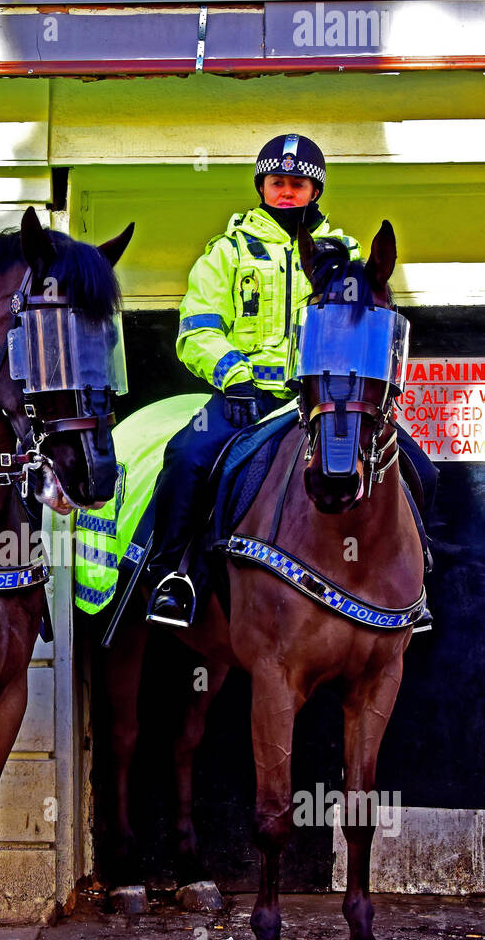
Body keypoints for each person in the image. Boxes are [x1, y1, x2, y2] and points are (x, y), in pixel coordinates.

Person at [146, 132, 436, 626]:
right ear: (262, 186)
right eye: (277, 182)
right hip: (248, 396)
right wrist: (233, 374)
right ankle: (172, 575)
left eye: (297, 184)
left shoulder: (345, 254)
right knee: (188, 455)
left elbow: (369, 331)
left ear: (314, 191)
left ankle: (417, 580)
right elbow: (198, 328)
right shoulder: (227, 252)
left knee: (420, 469)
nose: (286, 192)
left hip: (326, 399)